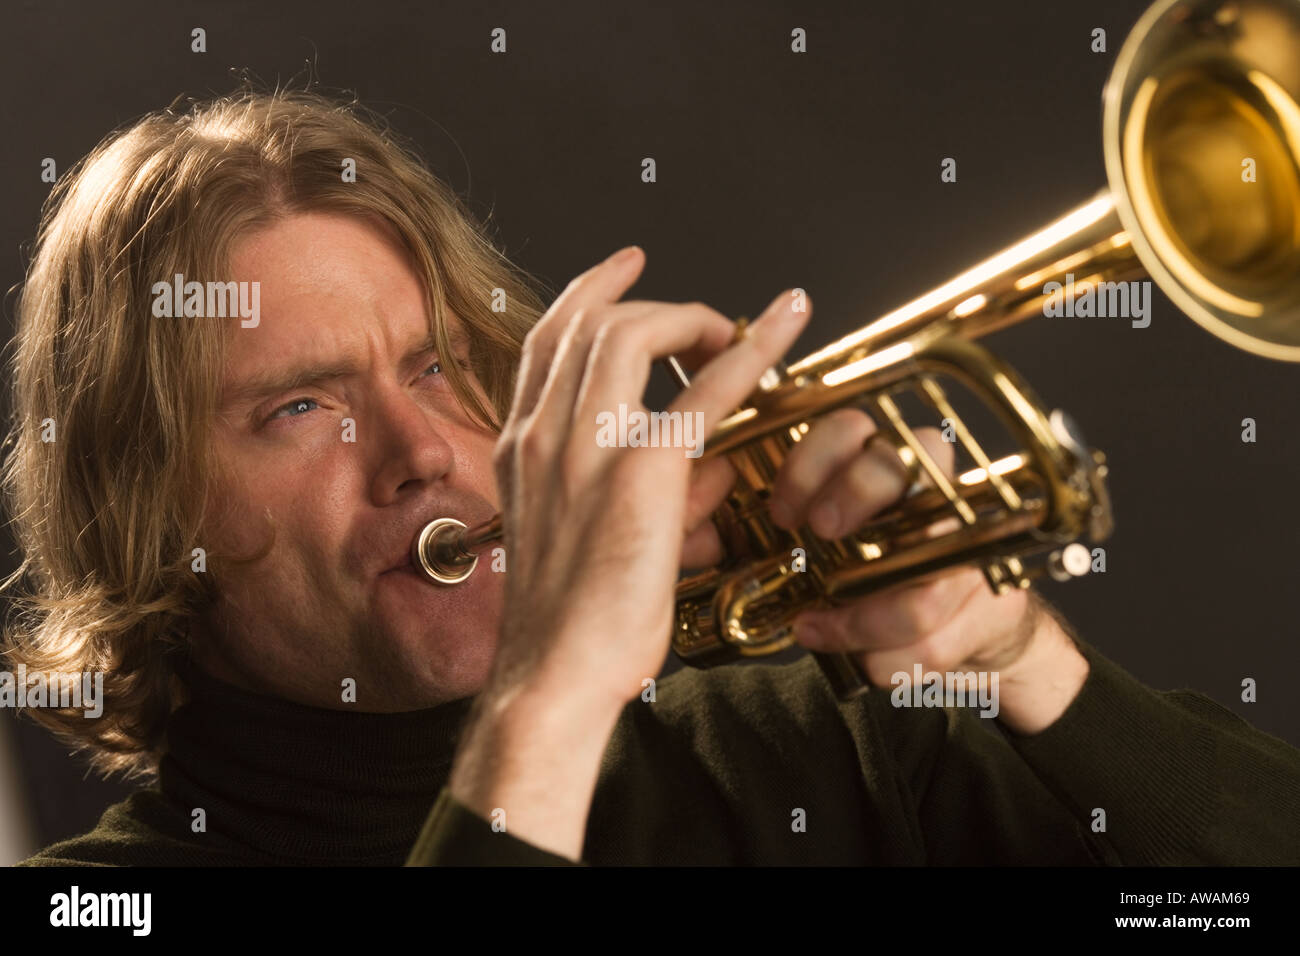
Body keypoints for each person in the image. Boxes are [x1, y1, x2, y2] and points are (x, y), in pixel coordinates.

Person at [6, 89, 1298, 866]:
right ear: (144, 514)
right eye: (300, 407)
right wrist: (550, 694)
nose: (423, 454)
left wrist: (1026, 667)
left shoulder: (802, 753)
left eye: (441, 364)